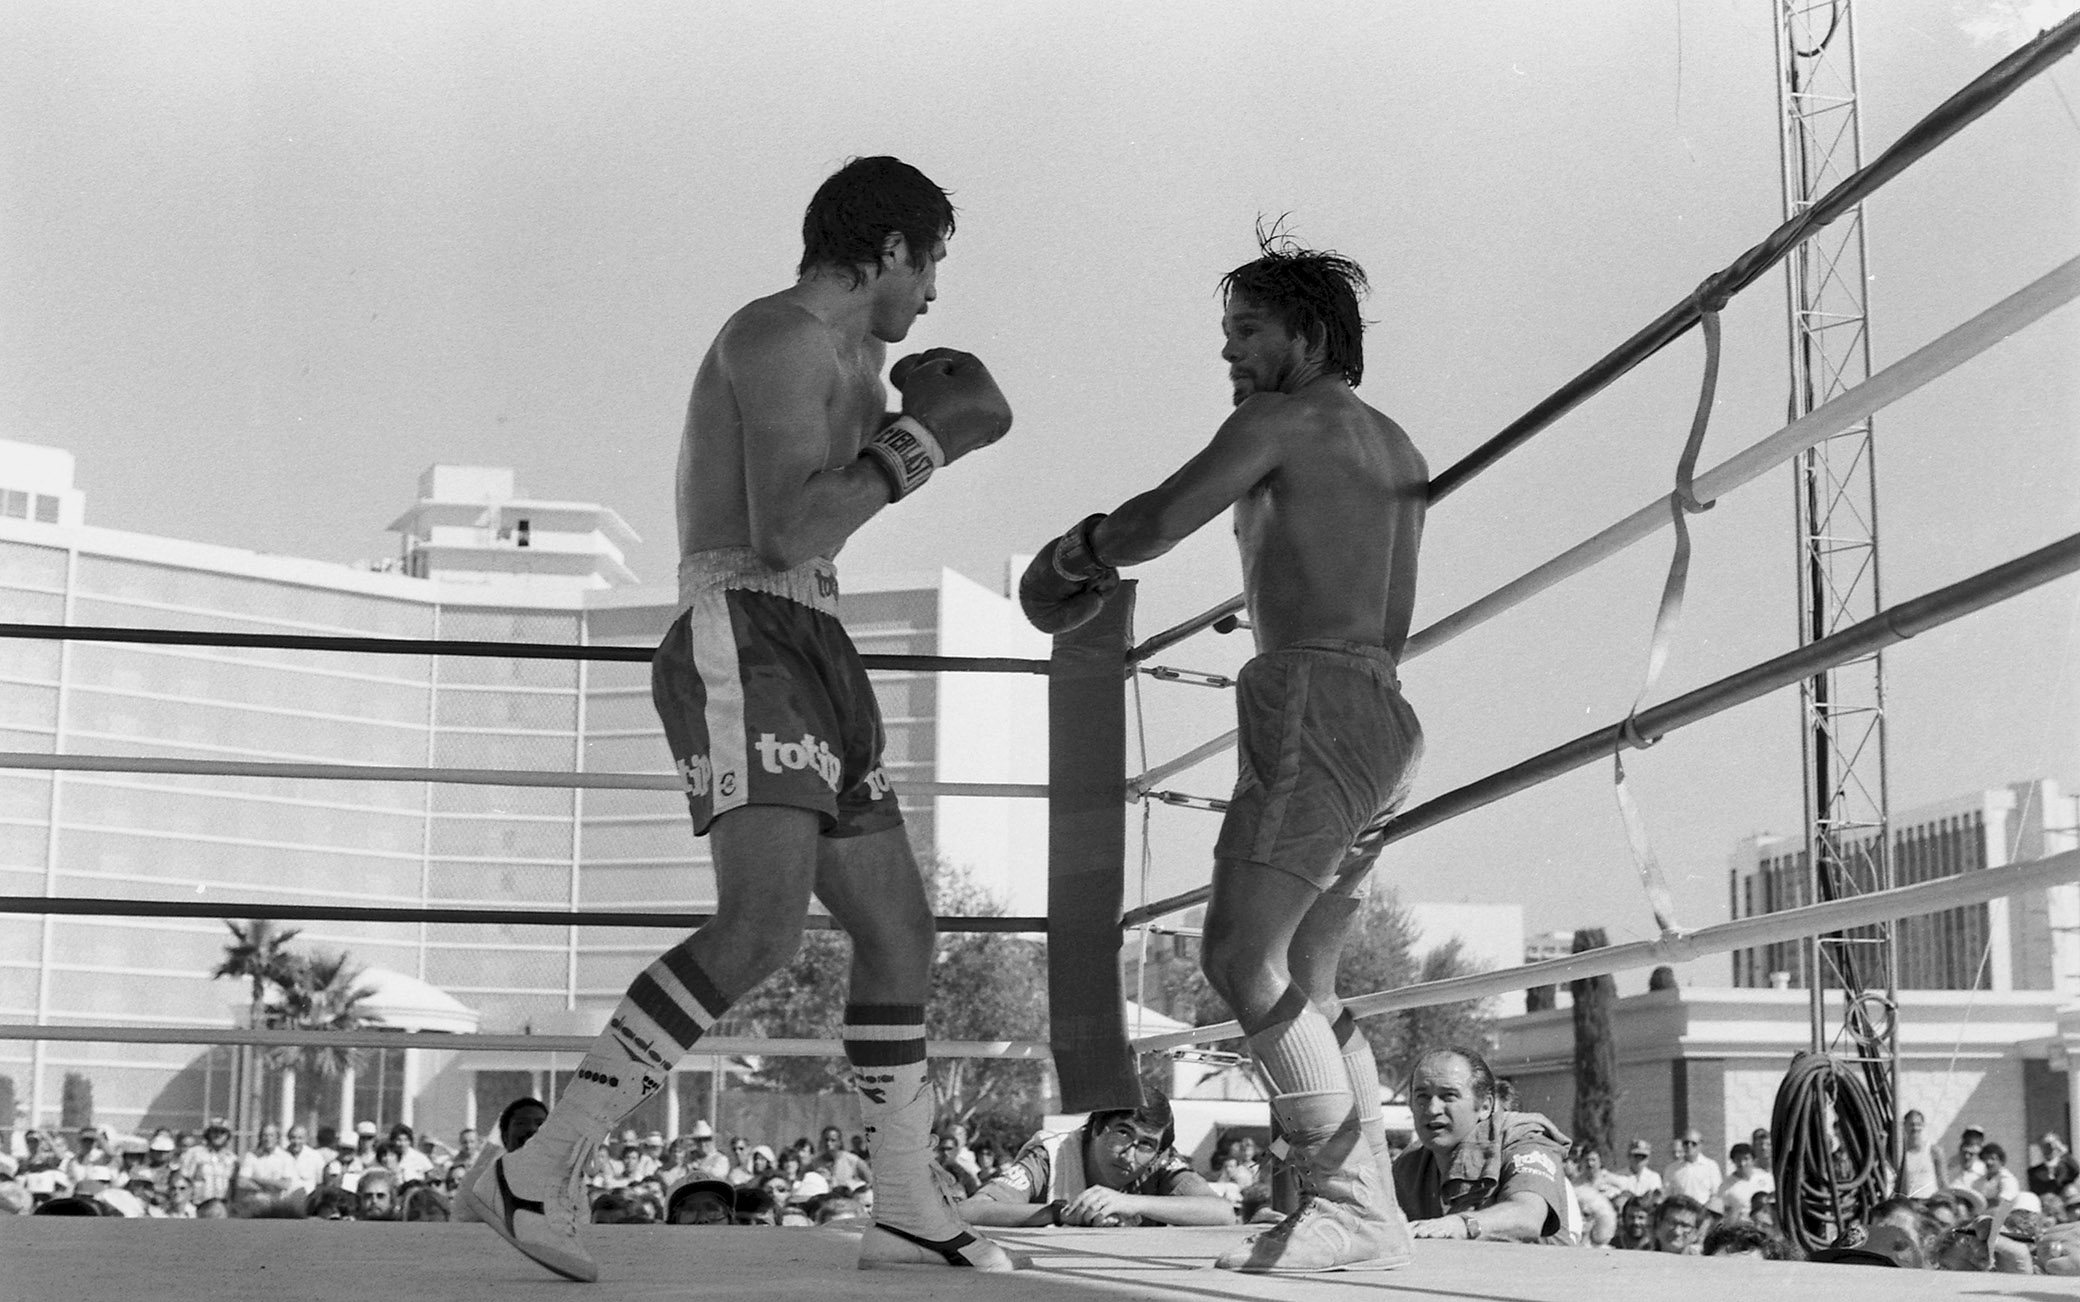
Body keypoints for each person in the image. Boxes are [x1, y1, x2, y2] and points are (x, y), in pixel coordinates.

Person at [464, 156, 1017, 1281]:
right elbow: (787, 529)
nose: (934, 298)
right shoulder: (775, 337)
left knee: (901, 930)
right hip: (743, 629)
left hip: (814, 639)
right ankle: (537, 1168)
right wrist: (925, 445)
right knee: (759, 927)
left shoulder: (859, 360)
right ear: (893, 251)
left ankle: (907, 1203)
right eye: (933, 264)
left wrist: (905, 434)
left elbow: (819, 540)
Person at [1022, 230, 1423, 1273]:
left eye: (1245, 330)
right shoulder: (1396, 445)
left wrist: (1078, 553)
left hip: (1314, 700)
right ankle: (1365, 1207)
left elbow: (1158, 520)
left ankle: (1341, 1201)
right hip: (1382, 708)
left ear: (1306, 333)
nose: (1228, 354)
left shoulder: (1279, 419)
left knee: (1239, 954)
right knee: (1310, 981)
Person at [959, 1093, 1235, 1228]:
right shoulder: (1051, 1155)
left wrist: (1130, 1203)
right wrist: (1058, 1213)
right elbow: (970, 1210)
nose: (1130, 1154)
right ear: (1096, 1128)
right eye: (1123, 1132)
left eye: (1146, 1144)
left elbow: (1222, 1213)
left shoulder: (1160, 1163)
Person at [1393, 1047, 1573, 1246]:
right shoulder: (1409, 1165)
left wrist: (1459, 1225)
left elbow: (1528, 1216)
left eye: (1449, 1096)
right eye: (1422, 1097)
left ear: (1485, 1106)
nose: (1432, 1109)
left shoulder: (1522, 1140)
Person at [235, 1123, 301, 1205]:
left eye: (271, 1135)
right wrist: (271, 1186)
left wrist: (256, 1179)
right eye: (265, 1135)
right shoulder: (251, 1156)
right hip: (255, 1204)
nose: (268, 1139)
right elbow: (242, 1183)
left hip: (277, 1205)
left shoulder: (286, 1157)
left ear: (277, 1138)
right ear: (260, 1138)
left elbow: (285, 1184)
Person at [178, 1119, 239, 1206]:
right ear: (208, 1134)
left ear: (227, 1136)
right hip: (198, 1205)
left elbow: (234, 1185)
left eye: (222, 1132)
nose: (218, 1135)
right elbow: (183, 1179)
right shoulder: (194, 1153)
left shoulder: (232, 1158)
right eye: (214, 1131)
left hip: (222, 1206)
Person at [1711, 1142, 1771, 1224]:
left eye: (1746, 1159)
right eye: (1738, 1160)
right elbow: (1719, 1213)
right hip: (1744, 1228)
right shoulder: (1726, 1187)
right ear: (1733, 1161)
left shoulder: (1766, 1178)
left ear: (1753, 1160)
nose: (1742, 1163)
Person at [1662, 1129, 1721, 1205]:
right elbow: (1667, 1195)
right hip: (1680, 1211)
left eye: (1693, 1143)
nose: (1689, 1146)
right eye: (1686, 1143)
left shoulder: (1711, 1166)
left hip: (1702, 1212)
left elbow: (1716, 1194)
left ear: (1701, 1145)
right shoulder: (1671, 1169)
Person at [811, 1123, 872, 1187]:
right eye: (826, 1140)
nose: (828, 1143)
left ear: (839, 1142)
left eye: (833, 1140)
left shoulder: (853, 1160)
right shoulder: (815, 1163)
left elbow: (870, 1181)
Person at [1899, 1109, 1941, 1198]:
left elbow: (1942, 1181)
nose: (1915, 1128)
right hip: (1910, 1201)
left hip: (1930, 1200)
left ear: (1923, 1125)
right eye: (1911, 1124)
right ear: (1904, 1126)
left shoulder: (1933, 1150)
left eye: (1918, 1124)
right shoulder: (1901, 1153)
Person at [2031, 1132, 2079, 1198]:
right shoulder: (2034, 1172)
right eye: (2046, 1145)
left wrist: (2063, 1151)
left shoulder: (2066, 1167)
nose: (2050, 1147)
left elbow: (2076, 1170)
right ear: (2041, 1148)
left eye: (2052, 1144)